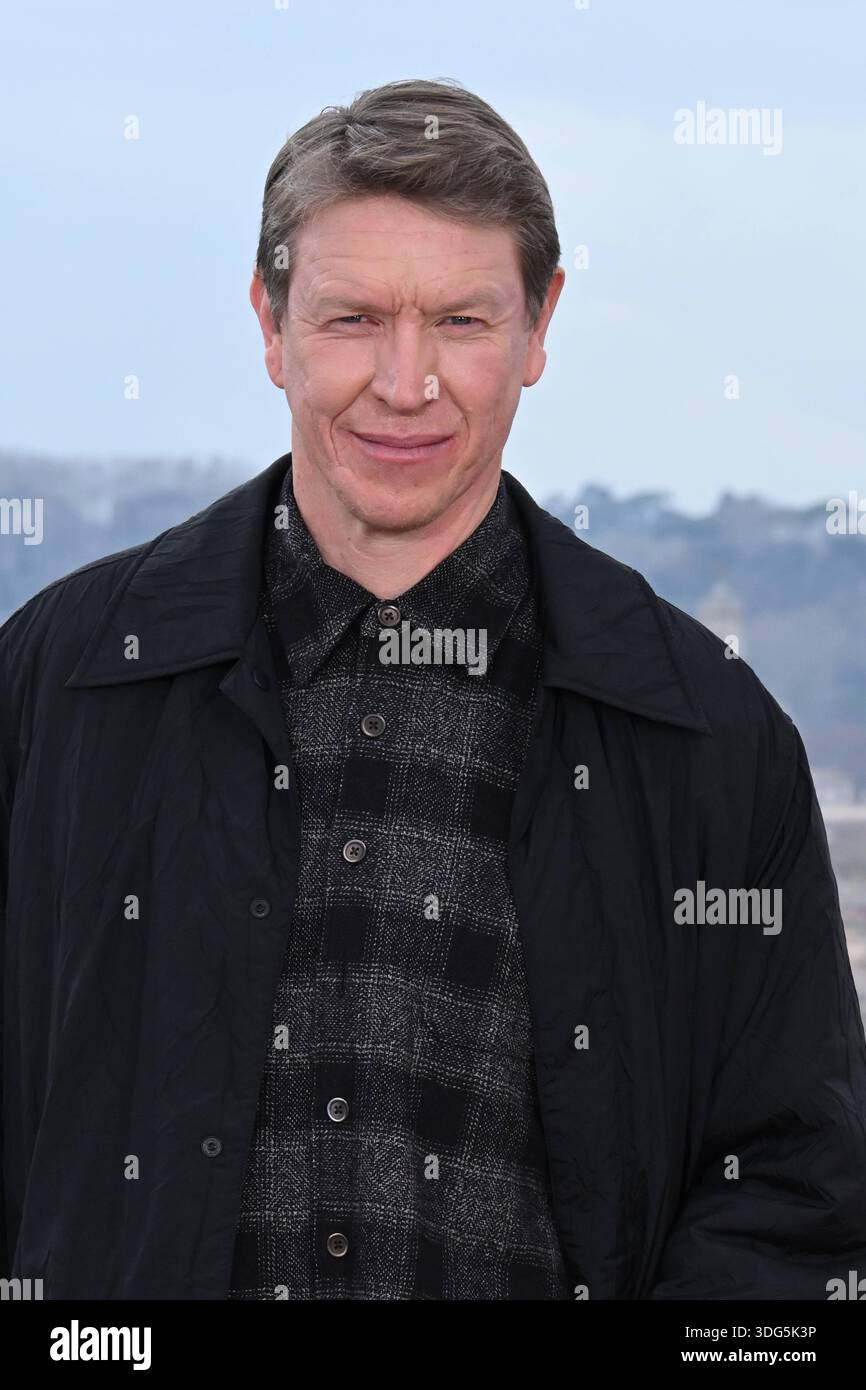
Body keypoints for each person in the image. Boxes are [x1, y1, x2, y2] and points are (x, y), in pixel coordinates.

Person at [1, 77, 865, 1301]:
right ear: (270, 320)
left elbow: (792, 1198)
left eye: (461, 321)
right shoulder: (55, 689)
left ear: (538, 324)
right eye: (353, 318)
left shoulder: (710, 737)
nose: (404, 386)